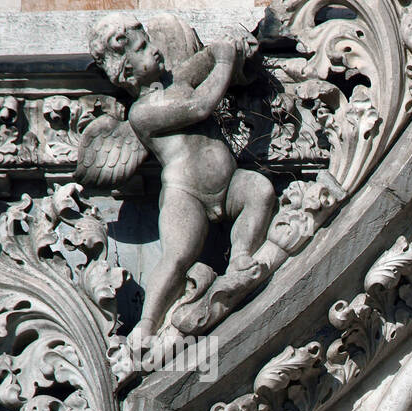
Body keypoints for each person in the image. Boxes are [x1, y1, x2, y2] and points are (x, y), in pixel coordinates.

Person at [83, 15, 276, 342]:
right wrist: (227, 60)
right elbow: (200, 107)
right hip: (187, 196)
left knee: (260, 190)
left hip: (229, 186)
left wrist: (231, 44)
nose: (155, 49)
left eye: (149, 42)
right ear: (128, 71)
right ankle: (147, 325)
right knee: (176, 258)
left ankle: (241, 256)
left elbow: (208, 58)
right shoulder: (142, 112)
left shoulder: (179, 80)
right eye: (143, 48)